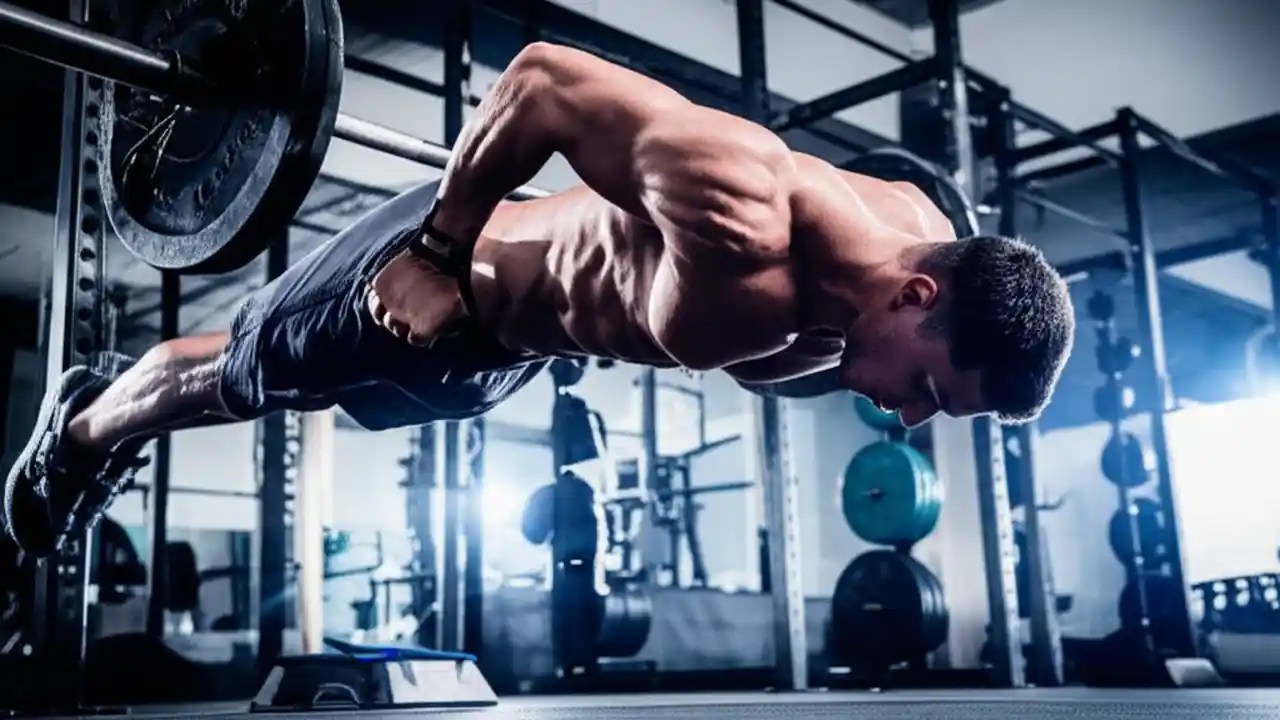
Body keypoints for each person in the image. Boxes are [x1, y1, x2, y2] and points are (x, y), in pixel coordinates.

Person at [5, 42, 1074, 557]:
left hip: (505, 358)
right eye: (932, 390)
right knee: (243, 376)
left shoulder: (885, 262)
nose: (910, 417)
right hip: (464, 279)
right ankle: (84, 425)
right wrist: (436, 250)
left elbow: (749, 351)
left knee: (305, 395)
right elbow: (543, 83)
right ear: (916, 293)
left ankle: (107, 416)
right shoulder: (743, 199)